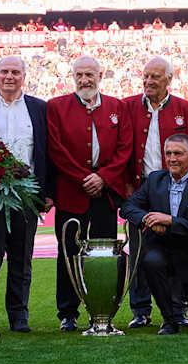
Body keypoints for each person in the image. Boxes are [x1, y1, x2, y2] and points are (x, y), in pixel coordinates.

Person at [47, 56, 133, 331]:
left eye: (89, 74)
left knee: (104, 256)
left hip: (105, 194)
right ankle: (68, 314)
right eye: (79, 75)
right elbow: (56, 149)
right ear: (72, 76)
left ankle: (101, 310)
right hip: (73, 192)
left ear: (100, 74)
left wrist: (103, 178)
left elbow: (125, 148)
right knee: (69, 255)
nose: (84, 80)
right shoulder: (56, 106)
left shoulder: (117, 107)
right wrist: (84, 178)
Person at [121, 56, 188, 329]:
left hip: (178, 186)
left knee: (178, 250)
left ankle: (178, 309)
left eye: (155, 77)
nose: (148, 81)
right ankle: (140, 310)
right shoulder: (128, 106)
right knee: (139, 251)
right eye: (145, 76)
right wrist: (128, 189)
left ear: (169, 79)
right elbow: (122, 150)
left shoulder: (185, 108)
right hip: (142, 188)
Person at [0, 56, 51, 333]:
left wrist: (46, 192)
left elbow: (46, 152)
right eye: (5, 72)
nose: (10, 76)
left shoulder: (39, 108)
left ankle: (19, 315)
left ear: (24, 76)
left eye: (15, 72)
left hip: (26, 193)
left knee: (22, 258)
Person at [120, 134, 188, 334]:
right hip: (162, 247)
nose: (172, 158)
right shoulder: (155, 180)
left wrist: (170, 221)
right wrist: (148, 219)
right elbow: (128, 207)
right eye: (168, 153)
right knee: (151, 261)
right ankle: (169, 319)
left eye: (178, 153)